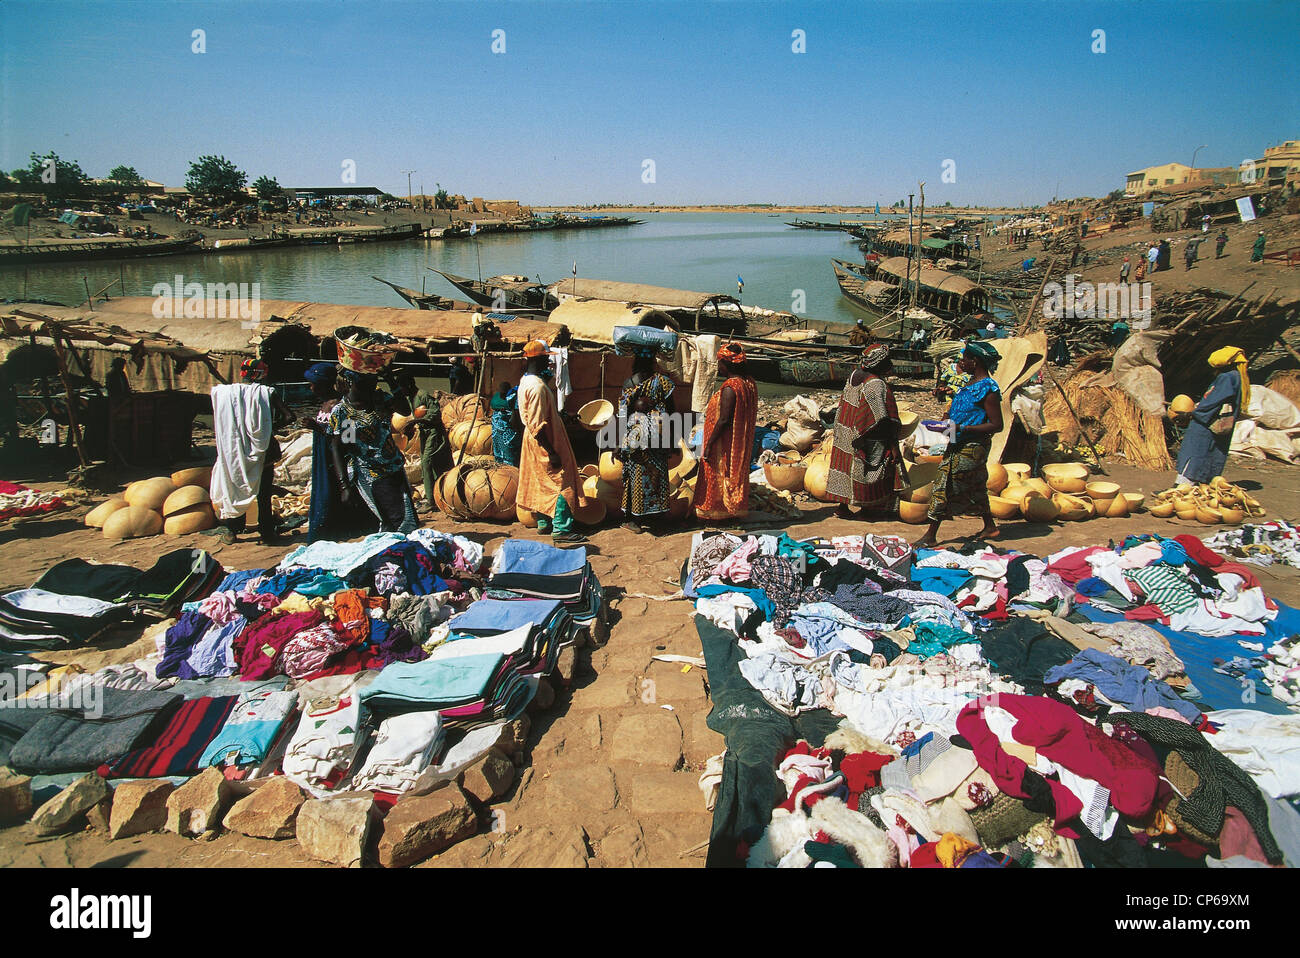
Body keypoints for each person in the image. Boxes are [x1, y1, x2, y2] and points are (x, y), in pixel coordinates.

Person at [913, 340, 1004, 547]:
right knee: (977, 485)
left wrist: (963, 429)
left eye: (965, 358)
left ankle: (930, 534)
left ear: (976, 361)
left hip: (971, 447)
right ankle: (990, 526)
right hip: (958, 441)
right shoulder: (970, 383)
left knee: (943, 485)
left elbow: (997, 425)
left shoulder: (988, 389)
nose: (961, 361)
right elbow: (966, 408)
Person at [206, 358, 291, 545]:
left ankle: (232, 530)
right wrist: (268, 428)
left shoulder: (224, 393)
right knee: (263, 493)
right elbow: (289, 416)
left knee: (234, 486)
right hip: (264, 452)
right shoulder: (266, 393)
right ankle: (267, 533)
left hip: (233, 451)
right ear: (262, 374)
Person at [328, 369, 418, 534]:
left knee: (405, 518)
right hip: (370, 474)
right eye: (366, 381)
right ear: (351, 380)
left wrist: (391, 381)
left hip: (394, 467)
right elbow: (343, 447)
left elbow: (405, 411)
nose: (373, 384)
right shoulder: (344, 411)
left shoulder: (381, 399)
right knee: (398, 521)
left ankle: (397, 553)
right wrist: (344, 486)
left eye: (374, 380)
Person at [517, 341, 588, 543]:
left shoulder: (526, 381)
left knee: (541, 481)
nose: (549, 360)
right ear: (537, 358)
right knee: (561, 482)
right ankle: (561, 529)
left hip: (534, 440)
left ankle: (543, 522)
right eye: (546, 357)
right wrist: (551, 451)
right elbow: (537, 423)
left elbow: (537, 416)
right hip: (545, 441)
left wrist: (562, 417)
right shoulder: (537, 387)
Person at [826, 343, 902, 520]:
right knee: (872, 469)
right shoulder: (876, 384)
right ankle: (868, 508)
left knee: (846, 468)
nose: (890, 364)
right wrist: (893, 445)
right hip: (866, 434)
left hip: (846, 430)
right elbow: (882, 419)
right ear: (878, 363)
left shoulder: (855, 375)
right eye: (887, 361)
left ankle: (842, 507)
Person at [694, 344, 758, 522]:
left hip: (724, 442)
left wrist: (709, 444)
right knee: (732, 474)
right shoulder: (749, 383)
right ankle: (731, 511)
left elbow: (724, 419)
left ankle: (715, 513)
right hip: (738, 441)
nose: (718, 367)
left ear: (727, 364)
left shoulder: (731, 387)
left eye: (720, 363)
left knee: (717, 474)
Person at [616, 350, 677, 532]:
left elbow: (622, 414)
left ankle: (633, 519)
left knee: (636, 476)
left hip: (636, 438)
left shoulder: (629, 383)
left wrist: (618, 443)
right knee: (656, 475)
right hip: (658, 436)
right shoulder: (663, 382)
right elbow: (673, 412)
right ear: (653, 362)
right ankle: (655, 517)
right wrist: (672, 440)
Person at [1170, 346, 1249, 485]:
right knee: (1213, 453)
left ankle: (1181, 486)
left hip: (1207, 422)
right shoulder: (1236, 376)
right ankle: (1203, 483)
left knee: (1194, 450)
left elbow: (1215, 400)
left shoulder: (1226, 377)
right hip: (1218, 421)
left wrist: (1196, 411)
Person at [393, 370, 451, 512]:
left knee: (427, 463)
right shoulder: (412, 398)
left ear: (409, 384)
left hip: (434, 434)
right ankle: (436, 496)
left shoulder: (422, 395)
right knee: (431, 465)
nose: (402, 390)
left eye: (402, 386)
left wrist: (416, 421)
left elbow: (435, 413)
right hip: (426, 434)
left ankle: (431, 501)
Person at [299, 363, 344, 541]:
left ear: (325, 384)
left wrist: (317, 428)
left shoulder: (340, 406)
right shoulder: (325, 404)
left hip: (334, 459)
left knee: (330, 495)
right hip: (322, 457)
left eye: (313, 384)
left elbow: (347, 437)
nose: (311, 388)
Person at [490, 380, 522, 466]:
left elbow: (515, 416)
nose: (502, 395)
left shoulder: (514, 397)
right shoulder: (497, 397)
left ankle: (510, 472)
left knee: (509, 454)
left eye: (504, 393)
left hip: (507, 430)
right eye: (501, 393)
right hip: (499, 430)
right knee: (501, 453)